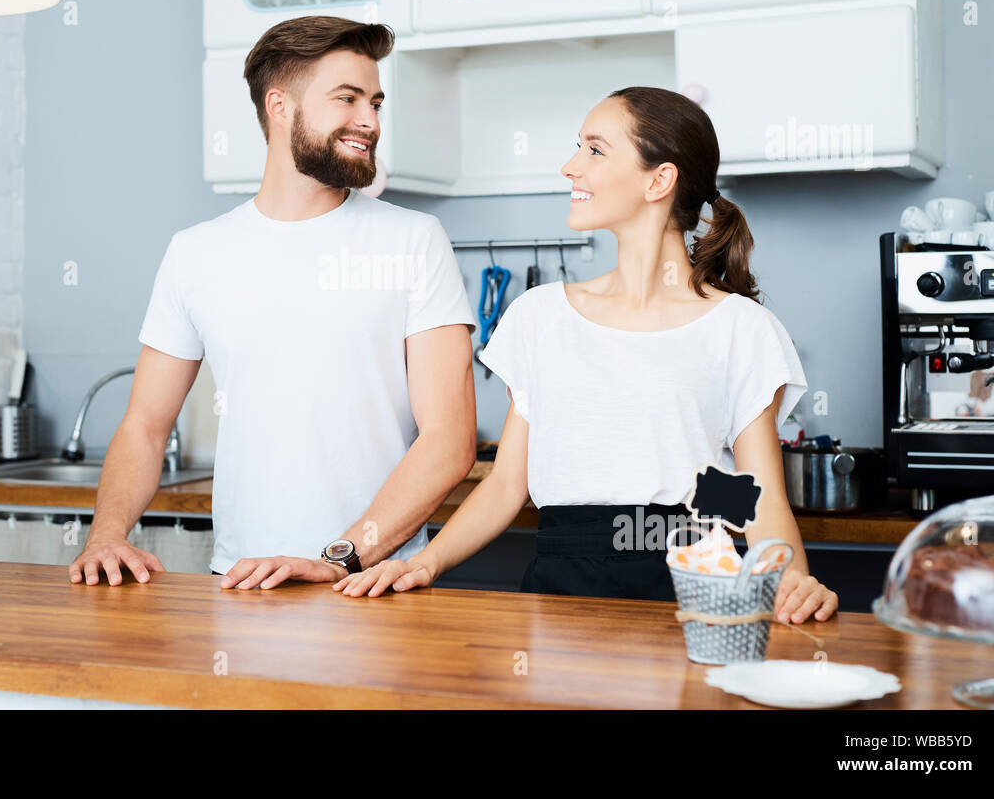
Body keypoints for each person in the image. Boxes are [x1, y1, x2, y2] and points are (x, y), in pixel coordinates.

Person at [331, 85, 840, 625]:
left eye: (595, 150)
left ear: (659, 179)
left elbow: (755, 500)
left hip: (702, 593)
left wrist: (796, 586)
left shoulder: (743, 328)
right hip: (560, 592)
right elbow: (507, 485)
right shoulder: (539, 317)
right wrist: (427, 563)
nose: (570, 167)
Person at [69, 16, 476, 588]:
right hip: (242, 581)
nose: (370, 121)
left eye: (376, 103)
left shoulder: (413, 240)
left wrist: (339, 557)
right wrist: (107, 535)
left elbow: (449, 441)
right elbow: (143, 426)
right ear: (279, 105)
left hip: (373, 582)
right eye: (348, 99)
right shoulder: (196, 253)